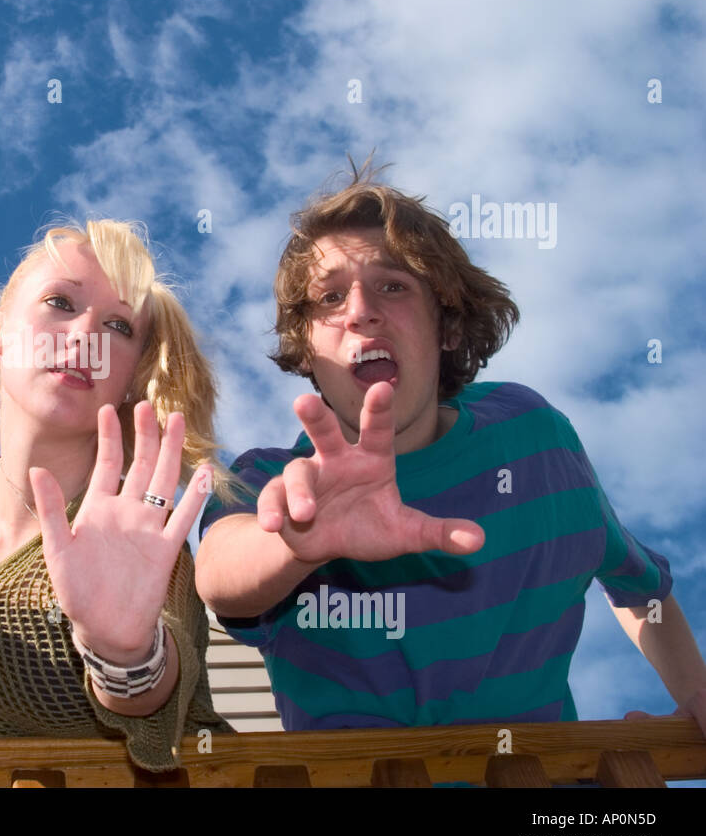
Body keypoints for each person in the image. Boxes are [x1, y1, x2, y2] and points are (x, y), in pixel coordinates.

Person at [194, 164, 706, 735]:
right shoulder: (272, 477)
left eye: (393, 285)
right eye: (330, 297)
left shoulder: (534, 435)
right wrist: (296, 544)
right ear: (307, 351)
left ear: (450, 328)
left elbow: (638, 586)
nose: (361, 310)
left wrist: (695, 690)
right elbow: (219, 576)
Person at [0, 219, 236, 772]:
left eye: (119, 327)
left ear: (129, 376)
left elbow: (160, 700)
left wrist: (128, 657)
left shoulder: (136, 520)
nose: (85, 339)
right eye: (60, 302)